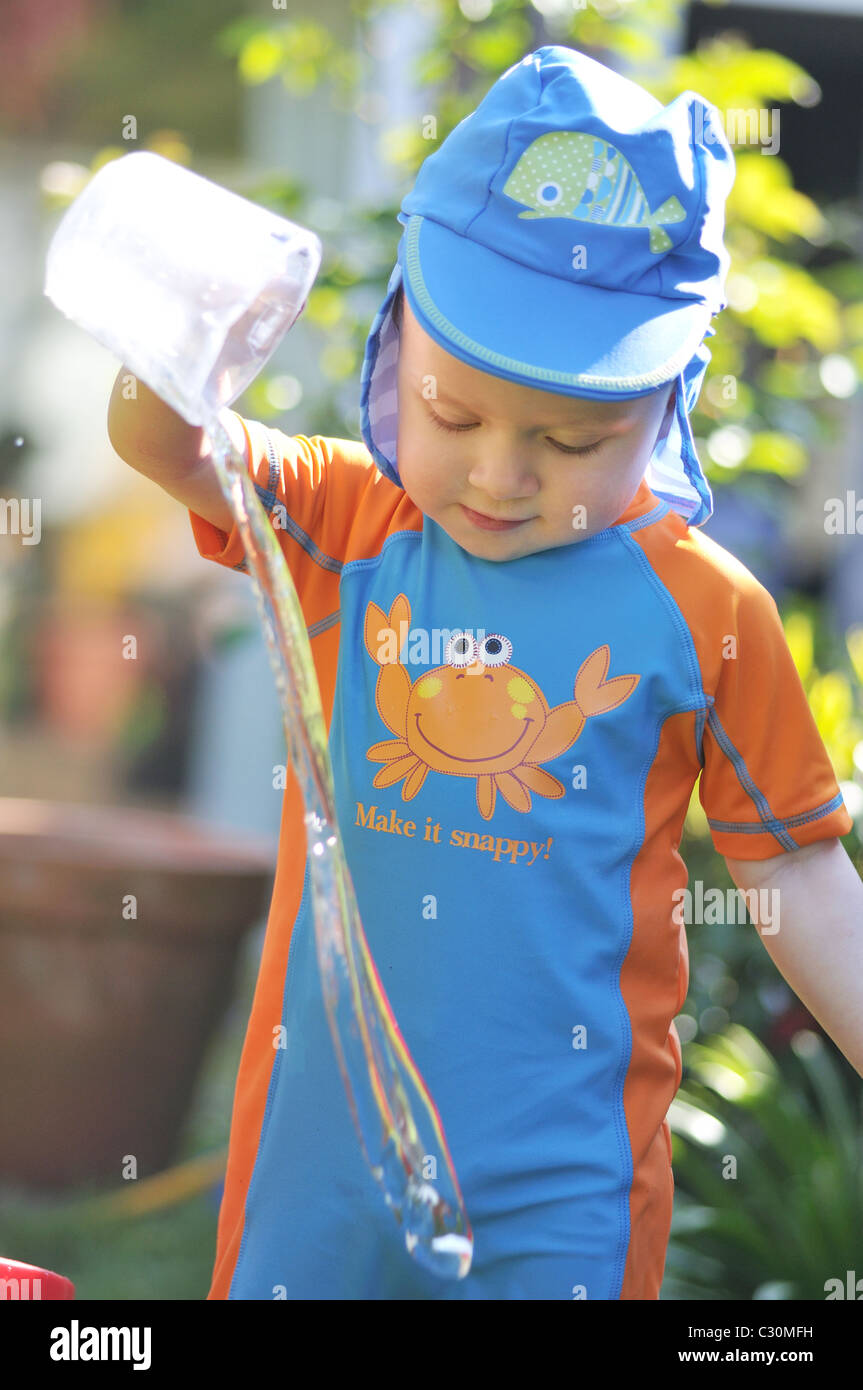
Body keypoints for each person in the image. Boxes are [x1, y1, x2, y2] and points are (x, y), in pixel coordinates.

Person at [107, 44, 863, 1300]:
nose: (502, 475)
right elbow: (164, 445)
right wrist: (186, 329)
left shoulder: (702, 612)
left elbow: (791, 870)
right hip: (319, 1155)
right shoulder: (353, 525)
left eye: (572, 440)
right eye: (452, 415)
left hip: (560, 1188)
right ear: (397, 338)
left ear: (667, 399)